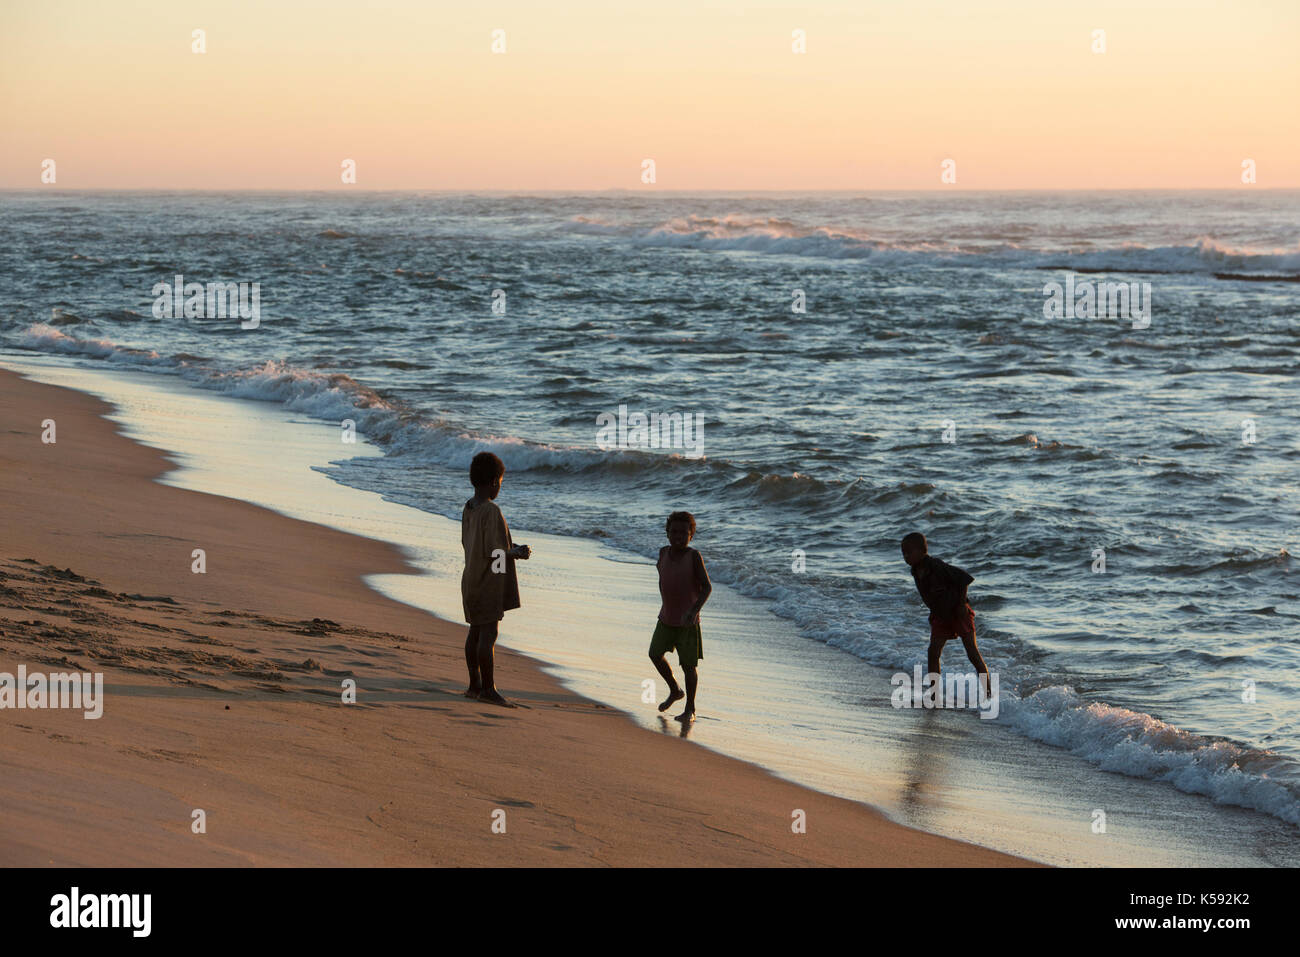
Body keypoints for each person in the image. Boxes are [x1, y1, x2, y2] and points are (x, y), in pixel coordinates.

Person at [461, 451, 530, 707]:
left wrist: (508, 550)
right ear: (492, 481)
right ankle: (488, 689)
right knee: (488, 634)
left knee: (475, 632)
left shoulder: (469, 507)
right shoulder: (491, 510)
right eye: (500, 481)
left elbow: (472, 545)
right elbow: (495, 552)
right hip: (487, 582)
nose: (500, 486)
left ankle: (474, 685)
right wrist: (517, 552)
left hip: (470, 578)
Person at [900, 531, 990, 699]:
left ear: (922, 551)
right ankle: (934, 695)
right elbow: (929, 595)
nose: (905, 556)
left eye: (909, 552)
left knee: (972, 652)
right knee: (933, 652)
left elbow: (964, 578)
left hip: (958, 611)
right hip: (940, 616)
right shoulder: (915, 571)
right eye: (903, 553)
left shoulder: (936, 566)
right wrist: (933, 611)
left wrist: (963, 603)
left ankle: (989, 694)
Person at [648, 511, 712, 723]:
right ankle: (675, 689)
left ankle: (690, 709)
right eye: (674, 532)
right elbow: (663, 579)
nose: (678, 536)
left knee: (688, 666)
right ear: (667, 533)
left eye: (684, 533)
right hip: (666, 617)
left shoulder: (693, 556)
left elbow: (707, 587)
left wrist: (693, 611)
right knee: (655, 654)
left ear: (691, 535)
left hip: (688, 623)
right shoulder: (663, 553)